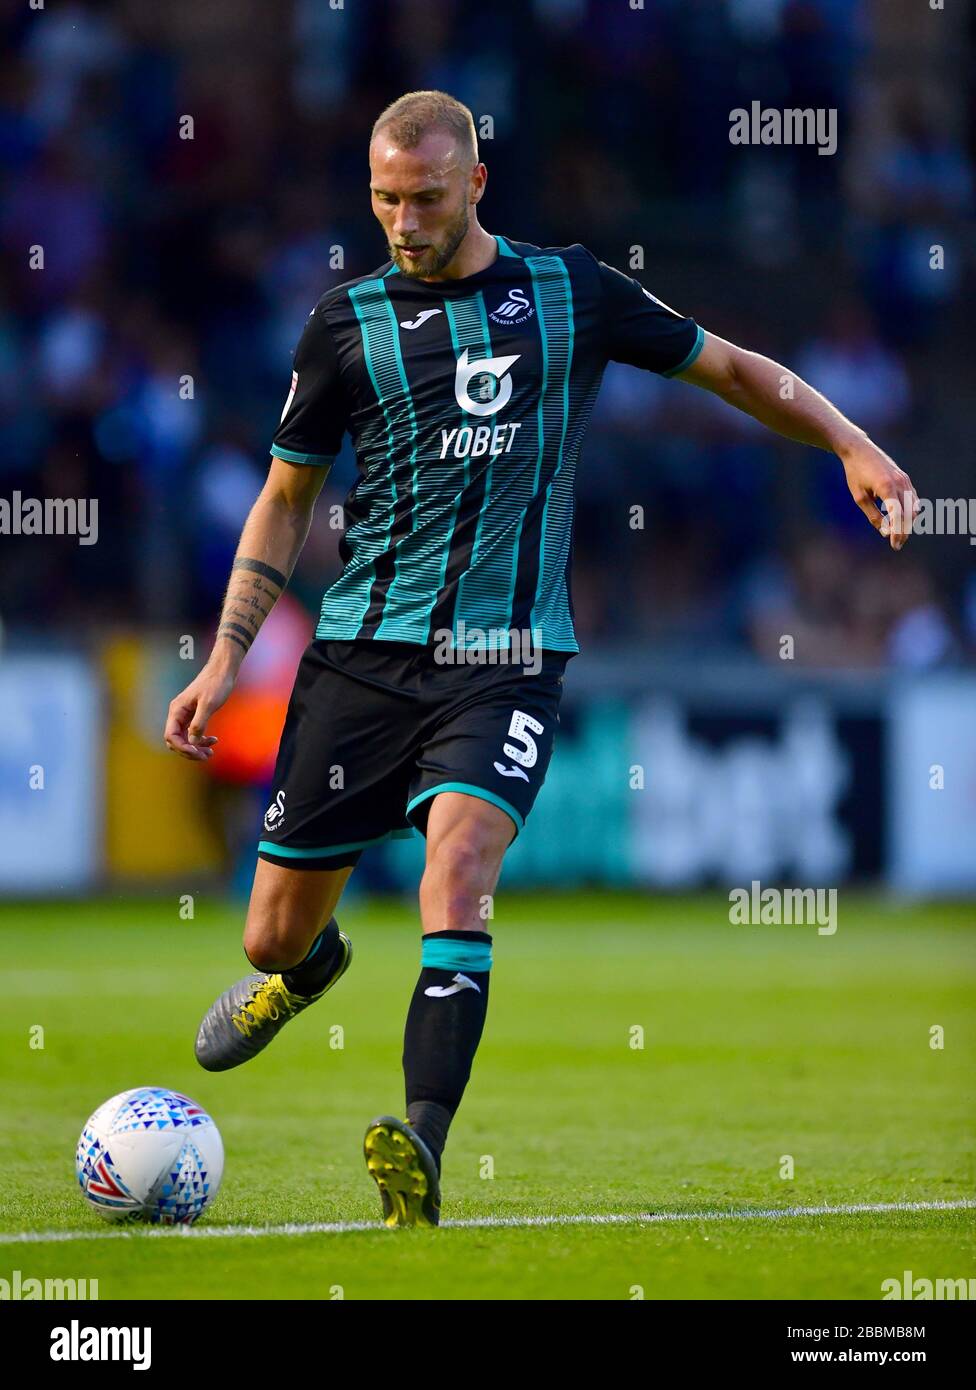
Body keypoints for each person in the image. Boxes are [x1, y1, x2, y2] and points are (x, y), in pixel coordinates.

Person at [164, 90, 918, 1228]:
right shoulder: (344, 322)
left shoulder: (567, 290)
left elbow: (729, 367)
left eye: (423, 198)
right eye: (382, 199)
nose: (403, 221)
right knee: (272, 931)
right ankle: (310, 970)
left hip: (505, 658)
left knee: (457, 871)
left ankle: (416, 1141)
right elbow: (283, 500)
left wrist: (853, 441)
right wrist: (225, 657)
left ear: (475, 183)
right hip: (361, 654)